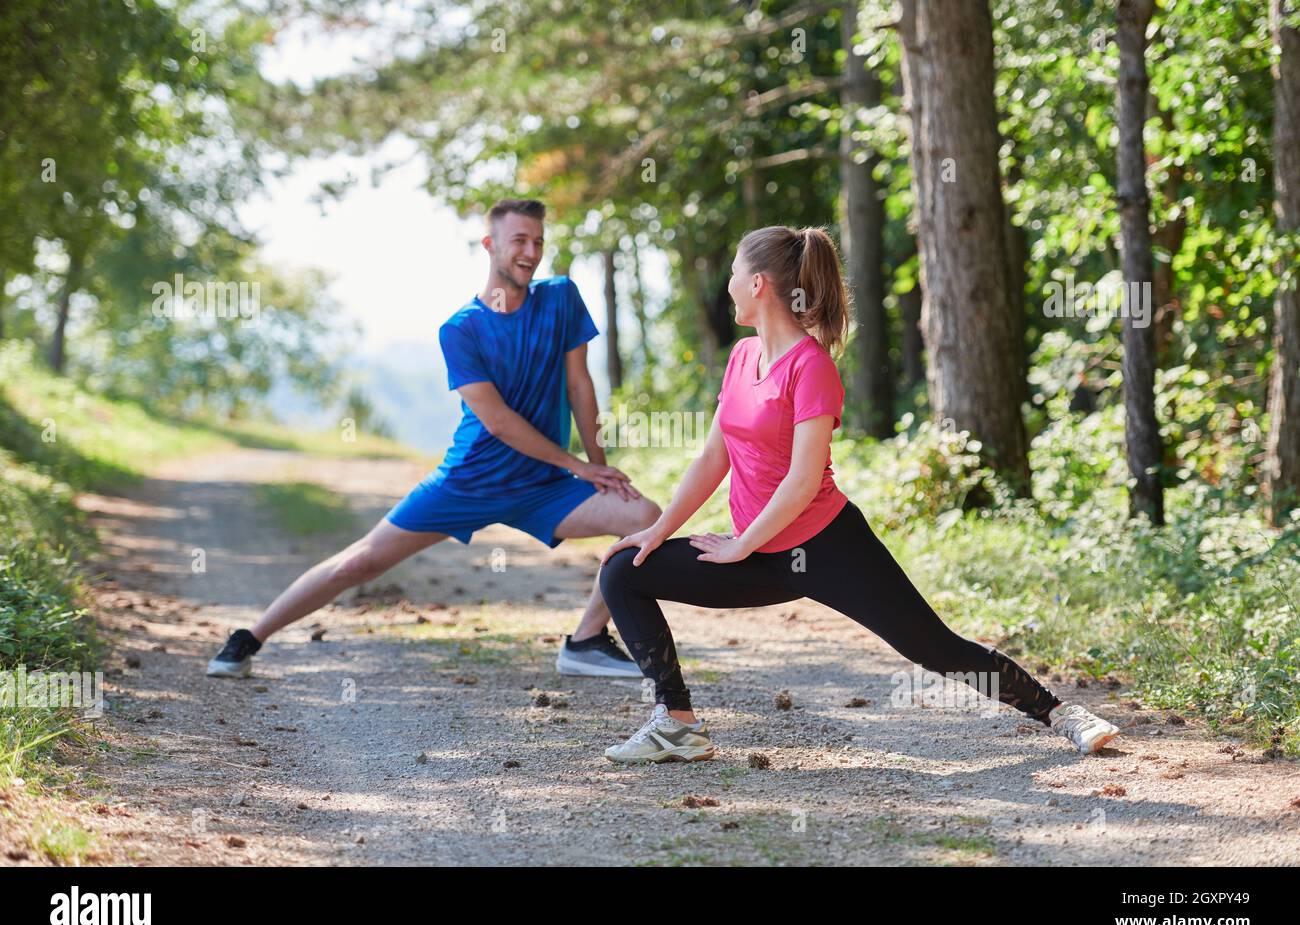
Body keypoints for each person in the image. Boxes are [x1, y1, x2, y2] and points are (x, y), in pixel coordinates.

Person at [597, 225, 1120, 763]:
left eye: (733, 272)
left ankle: (1062, 714)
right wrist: (659, 531)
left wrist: (740, 544)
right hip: (757, 554)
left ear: (756, 284)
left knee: (935, 648)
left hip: (826, 547)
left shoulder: (811, 366)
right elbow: (714, 458)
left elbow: (803, 480)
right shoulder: (742, 358)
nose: (726, 284)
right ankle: (676, 723)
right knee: (622, 572)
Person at [207, 198, 657, 680]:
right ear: (490, 245)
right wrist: (577, 465)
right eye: (519, 241)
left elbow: (579, 386)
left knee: (644, 517)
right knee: (361, 563)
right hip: (469, 481)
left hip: (544, 486)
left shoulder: (561, 298)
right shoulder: (461, 330)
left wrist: (596, 466)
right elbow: (498, 422)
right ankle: (250, 637)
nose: (531, 252)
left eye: (538, 241)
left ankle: (585, 641)